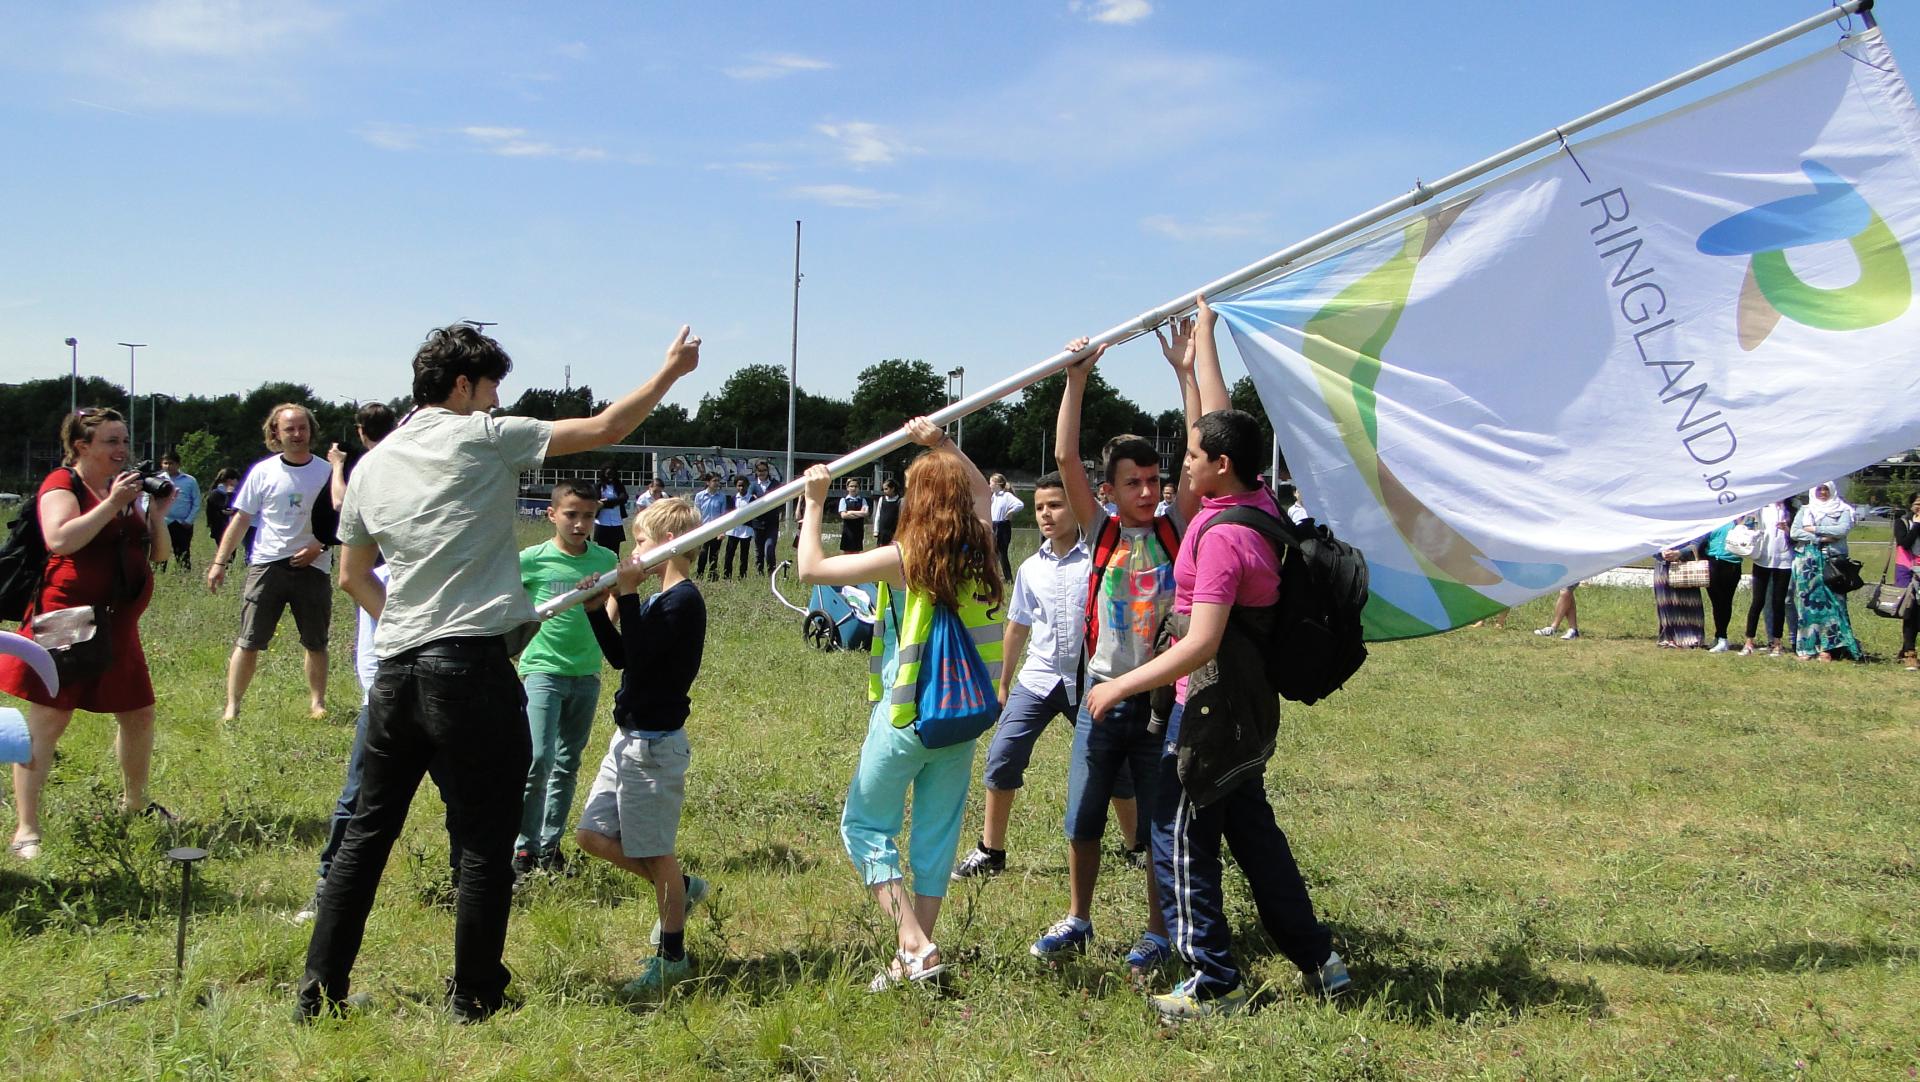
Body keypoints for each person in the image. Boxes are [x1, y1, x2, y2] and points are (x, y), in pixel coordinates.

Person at [296, 321, 701, 1023]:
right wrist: (670, 373)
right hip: (469, 671)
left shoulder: (372, 466)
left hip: (394, 671)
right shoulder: (480, 436)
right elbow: (606, 426)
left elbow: (353, 578)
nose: (494, 403)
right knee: (484, 842)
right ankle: (474, 995)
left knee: (365, 836)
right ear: (462, 385)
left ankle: (318, 995)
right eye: (490, 390)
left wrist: (411, 622)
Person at [1085, 300, 1347, 1020]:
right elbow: (1219, 415)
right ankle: (1319, 957)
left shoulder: (1224, 539)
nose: (1182, 466)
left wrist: (1118, 689)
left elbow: (1199, 644)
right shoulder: (1252, 500)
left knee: (1183, 839)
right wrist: (1203, 341)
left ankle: (1216, 981)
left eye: (1193, 458)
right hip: (1246, 710)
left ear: (1219, 468)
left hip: (1210, 709)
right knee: (1253, 833)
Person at [797, 417, 1001, 991]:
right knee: (936, 835)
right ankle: (919, 953)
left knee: (862, 825)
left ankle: (912, 940)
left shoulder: (906, 556)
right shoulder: (982, 544)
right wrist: (942, 443)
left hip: (908, 715)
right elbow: (984, 491)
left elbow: (813, 569)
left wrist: (816, 503)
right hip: (962, 721)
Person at [1029, 311, 1200, 975]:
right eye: (1134, 482)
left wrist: (1186, 373)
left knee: (1158, 822)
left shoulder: (1172, 526)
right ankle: (1078, 916)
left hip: (1159, 701)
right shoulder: (1100, 528)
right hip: (1101, 694)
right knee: (1083, 813)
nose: (1150, 491)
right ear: (1108, 490)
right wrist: (1077, 380)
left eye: (1154, 481)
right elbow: (1066, 456)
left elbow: (1194, 450)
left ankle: (1159, 929)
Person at [1, 408, 176, 861]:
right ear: (82, 446)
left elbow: (159, 555)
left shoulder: (124, 489)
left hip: (118, 623)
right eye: (111, 442)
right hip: (68, 619)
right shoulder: (63, 484)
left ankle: (134, 805)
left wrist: (156, 512)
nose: (122, 450)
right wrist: (113, 504)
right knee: (48, 720)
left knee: (138, 714)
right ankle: (26, 828)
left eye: (124, 441)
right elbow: (60, 540)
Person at [951, 471, 1142, 883]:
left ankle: (1137, 845)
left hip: (1093, 682)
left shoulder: (1101, 557)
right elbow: (1017, 625)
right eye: (1039, 508)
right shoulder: (1029, 568)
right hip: (1038, 680)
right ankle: (991, 851)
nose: (1045, 515)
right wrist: (1003, 683)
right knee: (1001, 757)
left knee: (1117, 768)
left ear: (1076, 506)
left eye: (1055, 505)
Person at [575, 497, 711, 994]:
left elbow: (641, 651)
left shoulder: (683, 602)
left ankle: (672, 955)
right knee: (590, 835)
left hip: (655, 748)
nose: (633, 552)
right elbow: (622, 658)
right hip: (627, 739)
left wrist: (625, 594)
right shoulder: (657, 598)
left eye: (641, 542)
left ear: (669, 545)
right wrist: (597, 611)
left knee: (657, 853)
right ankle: (679, 890)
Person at [296, 411, 396, 925]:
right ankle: (327, 889)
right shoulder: (369, 568)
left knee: (465, 800)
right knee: (358, 798)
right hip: (383, 693)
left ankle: (465, 884)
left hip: (442, 689)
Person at [511, 480, 619, 877]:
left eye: (588, 516)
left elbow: (616, 597)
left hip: (586, 673)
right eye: (571, 515)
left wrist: (603, 627)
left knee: (567, 762)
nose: (579, 524)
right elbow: (506, 598)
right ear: (552, 514)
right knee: (538, 759)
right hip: (542, 670)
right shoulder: (532, 559)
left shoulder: (605, 558)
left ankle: (549, 846)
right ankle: (523, 847)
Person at [208, 404, 336, 721]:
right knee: (249, 640)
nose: (296, 434)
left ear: (311, 431)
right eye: (289, 429)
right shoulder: (263, 472)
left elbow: (343, 520)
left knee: (315, 642)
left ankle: (317, 703)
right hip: (266, 566)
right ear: (275, 432)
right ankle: (233, 706)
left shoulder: (328, 472)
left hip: (313, 567)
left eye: (302, 428)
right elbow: (240, 520)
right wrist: (219, 562)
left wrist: (317, 548)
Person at [1791, 482, 1859, 662]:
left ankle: (1829, 649)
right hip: (1808, 564)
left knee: (1833, 607)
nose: (1822, 492)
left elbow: (1842, 529)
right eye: (1819, 489)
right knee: (1807, 607)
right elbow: (1795, 532)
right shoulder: (1806, 509)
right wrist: (1821, 538)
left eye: (1826, 489)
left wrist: (1813, 529)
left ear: (1832, 490)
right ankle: (1807, 647)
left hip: (1833, 563)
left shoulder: (1843, 510)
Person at [1743, 500, 1795, 657]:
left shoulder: (1791, 511)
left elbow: (1797, 538)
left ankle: (1777, 643)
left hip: (1784, 561)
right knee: (1757, 602)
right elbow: (1747, 526)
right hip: (1762, 559)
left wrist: (1788, 530)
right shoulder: (1761, 509)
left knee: (1778, 602)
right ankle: (1749, 642)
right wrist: (1749, 522)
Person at [327, 403, 397, 513]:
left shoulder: (367, 463)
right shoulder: (402, 458)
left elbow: (340, 503)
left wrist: (337, 464)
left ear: (361, 430)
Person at [1653, 535, 1707, 649]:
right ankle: (1668, 637)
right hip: (1663, 566)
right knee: (1666, 603)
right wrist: (1660, 553)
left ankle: (1690, 637)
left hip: (1685, 565)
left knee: (1687, 601)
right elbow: (1650, 541)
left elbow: (1699, 539)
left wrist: (1680, 552)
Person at [1703, 517, 1746, 653]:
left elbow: (1746, 537)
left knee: (1725, 601)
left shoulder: (1740, 518)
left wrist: (1740, 522)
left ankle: (1722, 637)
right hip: (1712, 561)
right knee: (1716, 602)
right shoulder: (1714, 519)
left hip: (1731, 563)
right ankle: (1719, 636)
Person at [158, 451, 200, 572]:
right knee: (161, 555)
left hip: (182, 524)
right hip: (163, 523)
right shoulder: (157, 480)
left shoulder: (190, 481)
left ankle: (185, 579)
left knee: (183, 555)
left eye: (171, 463)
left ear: (178, 464)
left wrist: (189, 520)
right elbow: (147, 499)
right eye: (165, 463)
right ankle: (159, 579)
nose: (168, 466)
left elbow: (196, 502)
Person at [1894, 495, 1920, 671]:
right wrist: (1917, 525)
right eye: (1917, 504)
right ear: (1911, 505)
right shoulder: (1902, 522)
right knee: (1910, 610)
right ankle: (1910, 653)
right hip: (1907, 569)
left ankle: (1905, 649)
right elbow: (1904, 542)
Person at [748, 461, 782, 575]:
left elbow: (780, 499)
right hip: (757, 523)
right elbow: (747, 501)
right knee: (759, 551)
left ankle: (771, 573)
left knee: (770, 548)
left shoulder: (775, 484)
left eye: (764, 470)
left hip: (772, 523)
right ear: (756, 472)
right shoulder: (753, 486)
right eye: (759, 470)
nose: (762, 473)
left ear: (768, 471)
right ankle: (759, 573)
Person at [692, 474, 728, 581]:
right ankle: (699, 576)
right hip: (703, 529)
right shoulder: (700, 496)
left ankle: (713, 577)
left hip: (716, 530)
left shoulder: (722, 497)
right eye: (714, 480)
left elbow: (723, 515)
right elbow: (697, 513)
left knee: (714, 555)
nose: (717, 483)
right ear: (708, 482)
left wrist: (722, 531)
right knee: (702, 553)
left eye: (718, 481)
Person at [989, 473, 1023, 581]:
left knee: (1002, 553)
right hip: (993, 525)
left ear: (997, 484)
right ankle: (995, 576)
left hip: (1003, 526)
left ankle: (1008, 578)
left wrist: (1011, 511)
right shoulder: (993, 497)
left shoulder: (1006, 496)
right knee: (991, 552)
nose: (989, 485)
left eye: (991, 483)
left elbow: (1019, 504)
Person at [723, 476, 756, 580]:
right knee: (729, 554)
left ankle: (742, 576)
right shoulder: (732, 499)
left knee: (744, 555)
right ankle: (727, 576)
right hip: (733, 530)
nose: (741, 488)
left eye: (743, 485)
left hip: (746, 530)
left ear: (747, 486)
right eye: (739, 486)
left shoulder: (752, 499)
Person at [593, 467, 629, 555]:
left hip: (616, 522)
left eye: (612, 474)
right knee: (602, 551)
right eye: (608, 474)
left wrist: (607, 503)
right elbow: (595, 502)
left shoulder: (619, 486)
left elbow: (623, 498)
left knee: (615, 552)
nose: (610, 477)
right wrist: (614, 502)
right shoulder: (598, 486)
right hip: (602, 523)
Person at [837, 478, 870, 553]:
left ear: (859, 488)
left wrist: (850, 512)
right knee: (846, 553)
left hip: (858, 531)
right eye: (851, 486)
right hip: (847, 531)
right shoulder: (843, 500)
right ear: (847, 488)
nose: (853, 488)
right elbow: (844, 516)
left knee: (856, 554)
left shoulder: (863, 500)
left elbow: (866, 513)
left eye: (856, 486)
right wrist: (860, 513)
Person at [873, 477, 903, 547]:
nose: (884, 491)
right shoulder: (881, 499)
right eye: (883, 489)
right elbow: (878, 515)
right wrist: (876, 530)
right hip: (882, 531)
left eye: (886, 489)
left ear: (892, 489)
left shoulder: (899, 500)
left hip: (894, 531)